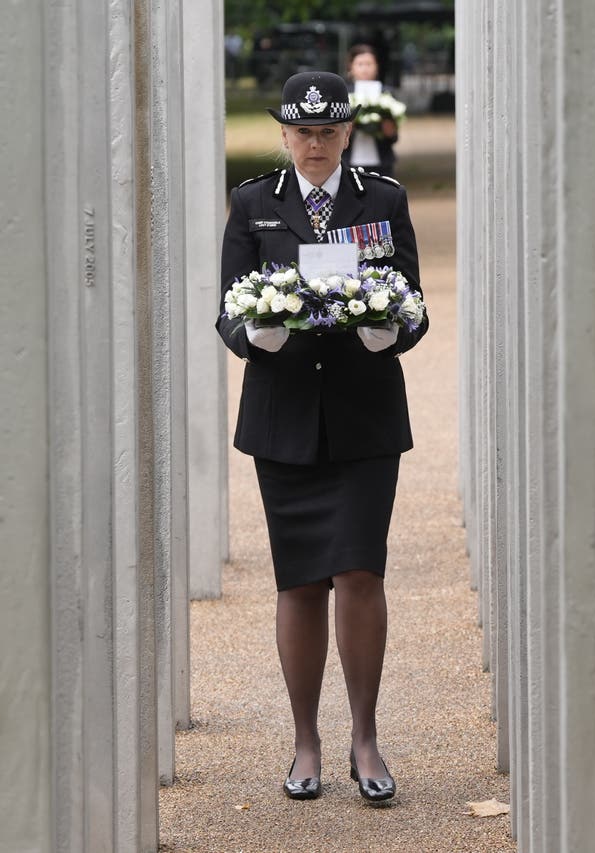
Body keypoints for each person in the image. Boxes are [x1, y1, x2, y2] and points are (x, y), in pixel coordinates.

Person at [217, 70, 428, 804]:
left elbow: (415, 304)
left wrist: (390, 330)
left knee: (361, 574)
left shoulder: (383, 199)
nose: (315, 143)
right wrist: (255, 334)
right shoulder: (253, 203)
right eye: (302, 131)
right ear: (284, 134)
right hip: (284, 418)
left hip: (365, 414)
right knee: (300, 580)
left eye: (328, 131)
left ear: (348, 132)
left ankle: (364, 736)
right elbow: (228, 311)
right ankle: (305, 739)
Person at [343, 43, 400, 179]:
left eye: (369, 64)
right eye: (360, 64)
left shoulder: (386, 94)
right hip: (348, 161)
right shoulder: (343, 93)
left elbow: (394, 136)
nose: (365, 69)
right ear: (351, 67)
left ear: (376, 67)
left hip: (382, 161)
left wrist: (387, 129)